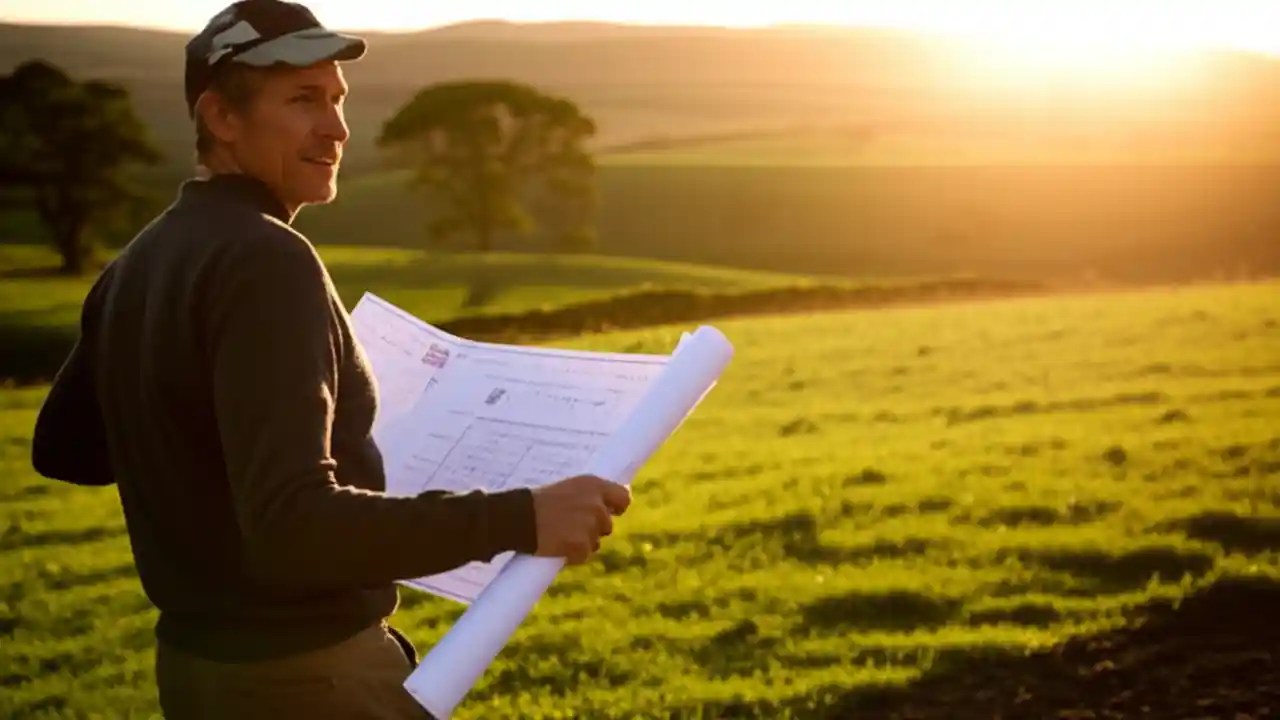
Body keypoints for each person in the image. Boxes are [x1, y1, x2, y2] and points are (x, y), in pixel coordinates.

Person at [30, 1, 631, 717]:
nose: (337, 127)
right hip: (309, 680)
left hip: (195, 673)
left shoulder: (142, 258)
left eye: (338, 99)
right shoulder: (266, 259)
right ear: (222, 117)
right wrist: (522, 518)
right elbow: (292, 527)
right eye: (303, 99)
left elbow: (68, 448)